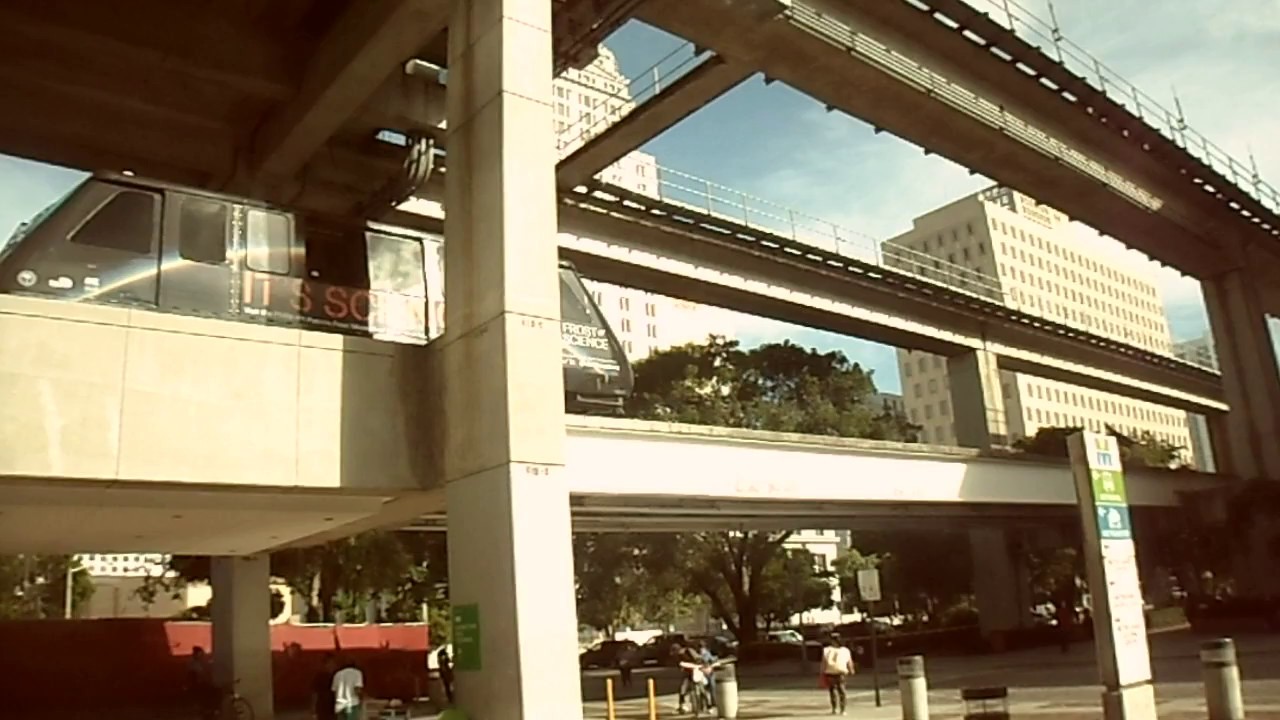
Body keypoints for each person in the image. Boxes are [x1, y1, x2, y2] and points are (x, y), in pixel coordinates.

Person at [820, 634, 854, 716]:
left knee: (832, 691)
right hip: (841, 672)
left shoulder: (826, 650)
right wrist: (851, 669)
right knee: (842, 691)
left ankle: (834, 709)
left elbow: (824, 662)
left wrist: (822, 671)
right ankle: (842, 709)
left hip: (830, 672)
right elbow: (849, 661)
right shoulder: (845, 650)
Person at [187, 646, 218, 720]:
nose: (201, 656)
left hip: (200, 685)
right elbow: (201, 674)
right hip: (199, 685)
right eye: (200, 654)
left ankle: (209, 711)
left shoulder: (196, 663)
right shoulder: (194, 664)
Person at [313, 653, 337, 720]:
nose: (333, 665)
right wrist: (314, 709)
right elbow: (315, 693)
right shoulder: (320, 676)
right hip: (323, 708)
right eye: (331, 663)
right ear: (326, 664)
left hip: (333, 708)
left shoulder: (337, 676)